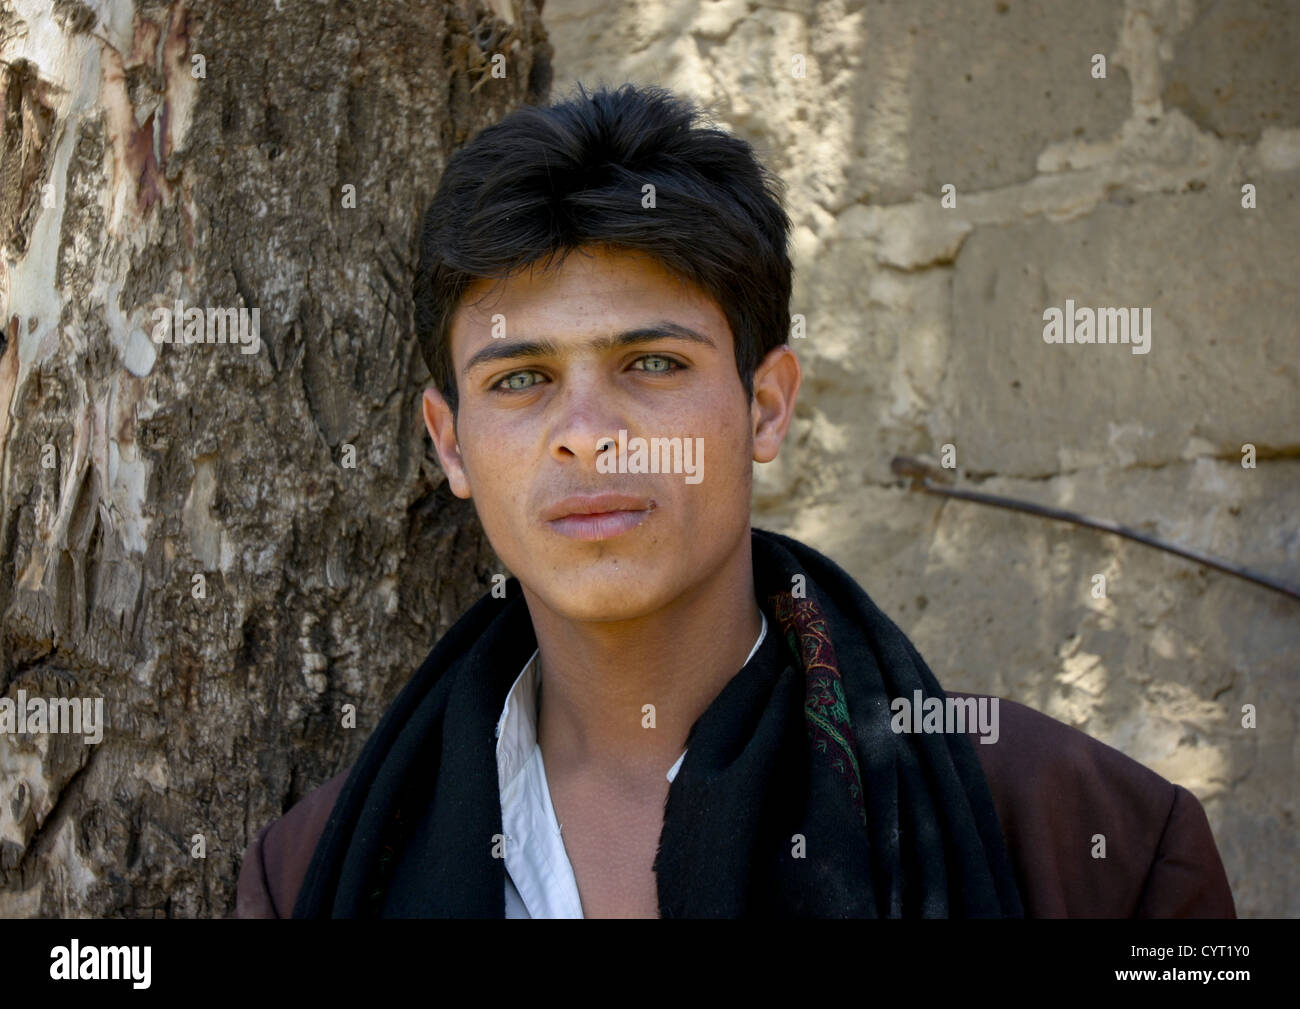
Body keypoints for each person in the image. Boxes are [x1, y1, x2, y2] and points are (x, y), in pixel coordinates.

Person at [235, 84, 1234, 918]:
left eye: (653, 361)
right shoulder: (311, 875)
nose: (587, 430)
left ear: (764, 406)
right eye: (520, 379)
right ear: (452, 444)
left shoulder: (1082, 837)